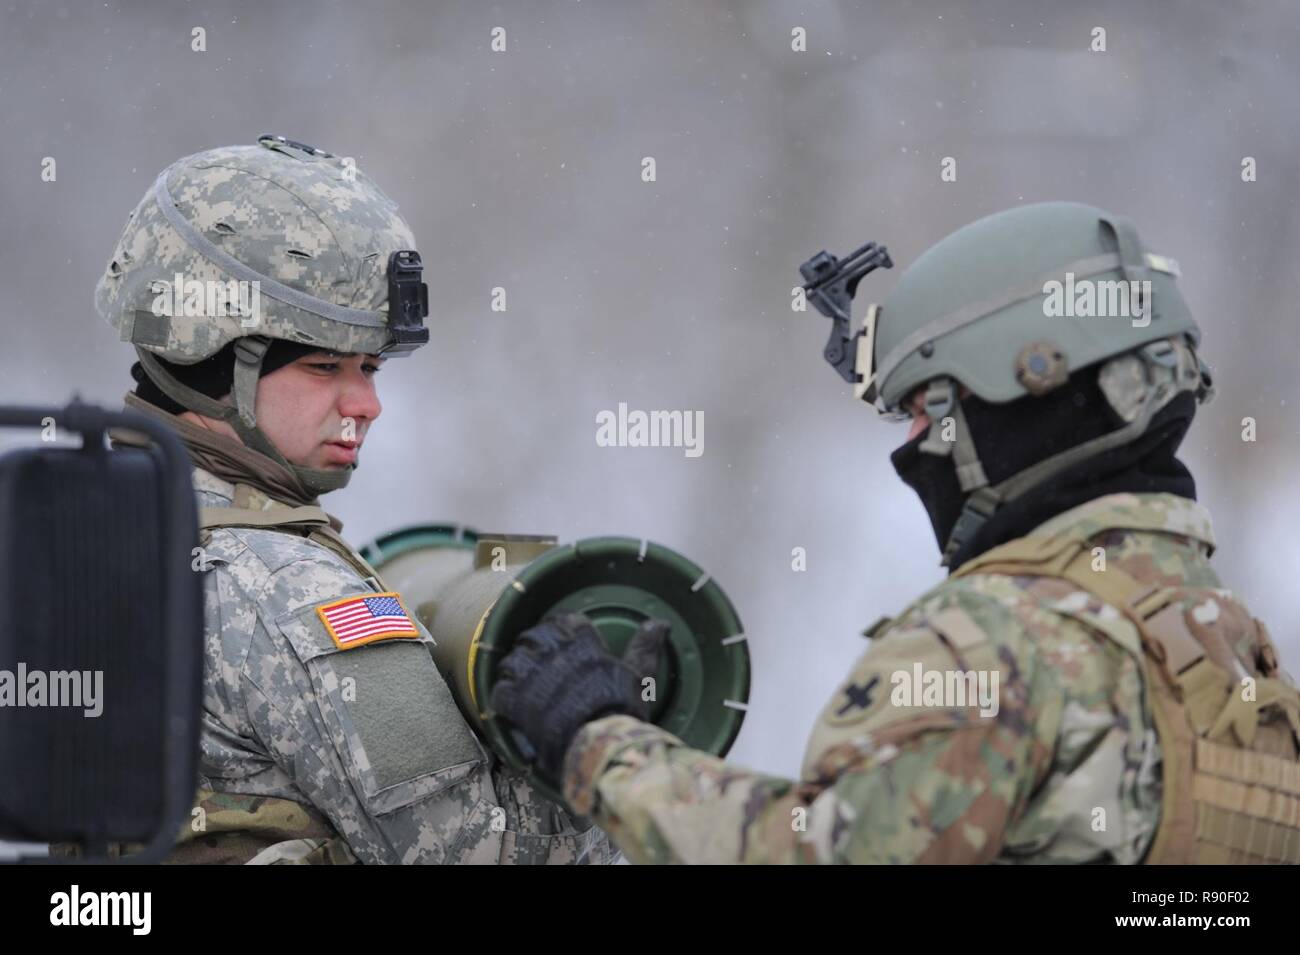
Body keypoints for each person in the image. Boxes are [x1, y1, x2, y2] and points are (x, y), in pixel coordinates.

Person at [491, 201, 1300, 864]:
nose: (913, 450)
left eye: (923, 410)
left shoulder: (996, 642)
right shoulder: (1226, 648)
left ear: (1022, 388)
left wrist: (596, 742)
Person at [94, 135, 616, 864]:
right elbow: (480, 856)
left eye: (370, 367)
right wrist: (588, 753)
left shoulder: (96, 515)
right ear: (209, 356)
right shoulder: (284, 588)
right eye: (323, 365)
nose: (366, 403)